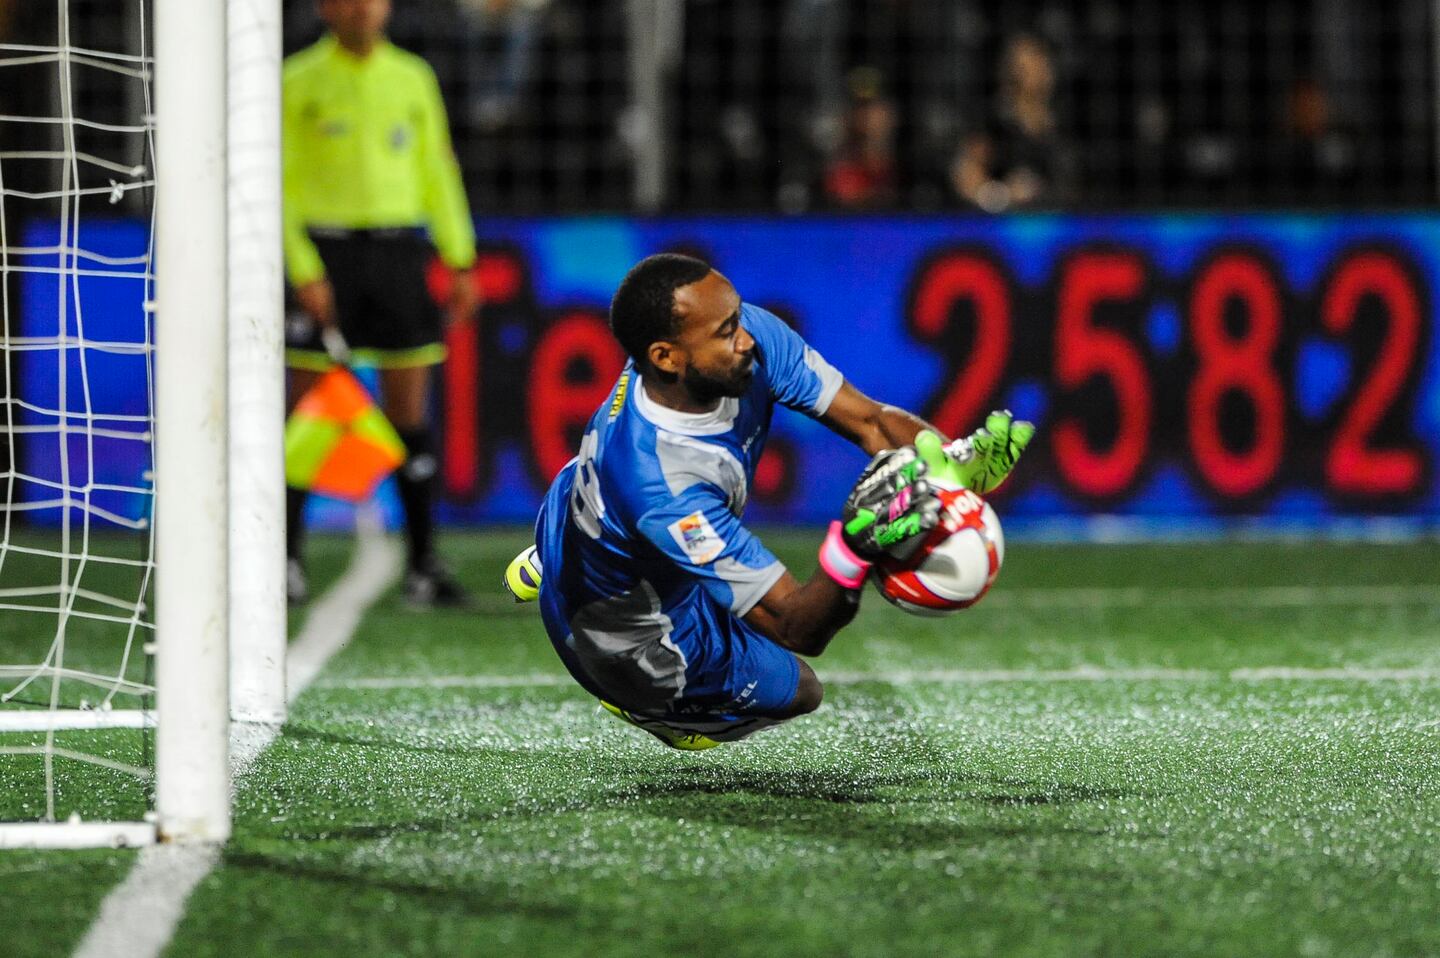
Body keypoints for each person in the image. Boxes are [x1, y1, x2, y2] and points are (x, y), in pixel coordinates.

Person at [503, 254, 1033, 749]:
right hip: (628, 635)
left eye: (736, 316)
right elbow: (795, 627)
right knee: (802, 689)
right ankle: (647, 706)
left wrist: (944, 465)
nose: (747, 339)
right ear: (666, 357)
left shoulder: (735, 341)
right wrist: (853, 549)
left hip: (585, 509)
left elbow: (870, 421)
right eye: (726, 331)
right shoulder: (659, 484)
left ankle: (563, 552)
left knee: (612, 503)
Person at [282, 0, 480, 607]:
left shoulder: (412, 77)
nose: (363, 8)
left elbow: (437, 172)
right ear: (324, 8)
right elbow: (276, 181)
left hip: (399, 254)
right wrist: (303, 268)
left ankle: (424, 564)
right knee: (303, 415)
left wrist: (460, 256)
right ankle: (283, 560)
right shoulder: (297, 81)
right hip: (328, 252)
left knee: (410, 416)